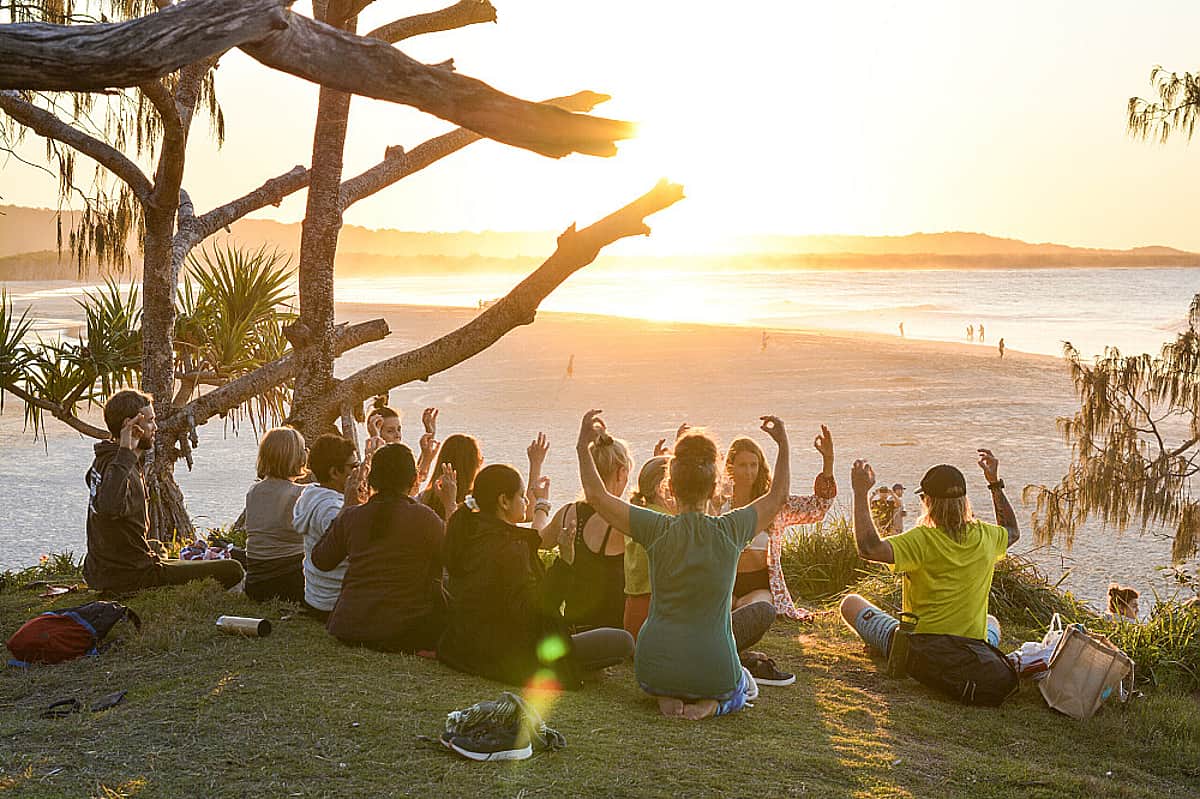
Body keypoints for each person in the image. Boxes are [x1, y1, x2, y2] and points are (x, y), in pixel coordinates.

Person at [578, 410, 794, 720]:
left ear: (671, 487)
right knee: (743, 688)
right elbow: (778, 496)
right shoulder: (732, 529)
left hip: (654, 670)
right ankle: (713, 705)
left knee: (668, 675)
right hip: (714, 672)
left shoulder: (655, 528)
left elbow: (596, 496)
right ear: (715, 487)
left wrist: (582, 447)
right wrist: (783, 444)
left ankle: (666, 697)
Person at [840, 449, 1021, 706]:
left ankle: (885, 649)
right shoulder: (986, 537)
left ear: (927, 501)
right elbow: (1012, 531)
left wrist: (860, 493)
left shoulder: (921, 540)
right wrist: (994, 481)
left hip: (918, 650)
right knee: (991, 621)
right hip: (971, 647)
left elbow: (868, 548)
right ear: (964, 501)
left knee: (850, 603)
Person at [438, 463, 633, 689]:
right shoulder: (510, 547)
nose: (526, 501)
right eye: (521, 496)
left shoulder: (468, 534)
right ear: (503, 502)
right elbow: (533, 613)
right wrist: (565, 562)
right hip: (509, 655)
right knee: (622, 641)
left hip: (466, 647)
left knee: (587, 632)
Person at [83, 390, 244, 593]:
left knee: (157, 546)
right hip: (131, 576)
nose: (156, 427)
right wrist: (126, 451)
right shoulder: (121, 463)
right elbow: (108, 507)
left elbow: (91, 480)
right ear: (129, 425)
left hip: (101, 571)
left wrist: (128, 450)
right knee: (232, 568)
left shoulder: (105, 456)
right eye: (150, 421)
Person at [312, 444, 451, 652]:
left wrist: (346, 508)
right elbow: (456, 559)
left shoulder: (352, 516)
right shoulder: (424, 518)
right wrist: (450, 506)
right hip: (403, 630)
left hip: (349, 627)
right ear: (413, 480)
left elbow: (321, 560)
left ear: (372, 480)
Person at [723, 428, 836, 622]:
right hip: (725, 583)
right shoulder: (719, 504)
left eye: (753, 465)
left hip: (760, 585)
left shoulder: (772, 504)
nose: (749, 471)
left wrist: (828, 461)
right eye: (742, 465)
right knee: (727, 605)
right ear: (730, 467)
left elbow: (819, 507)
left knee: (751, 607)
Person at [540, 433, 633, 632]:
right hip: (614, 632)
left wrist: (541, 503)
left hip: (576, 627)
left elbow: (537, 540)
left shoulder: (567, 513)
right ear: (621, 472)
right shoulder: (623, 521)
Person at [294, 434, 363, 620]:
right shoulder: (332, 509)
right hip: (335, 603)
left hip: (315, 598)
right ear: (334, 472)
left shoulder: (310, 495)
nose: (359, 471)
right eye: (353, 466)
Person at [242, 427, 307, 602]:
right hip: (289, 582)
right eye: (302, 449)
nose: (306, 454)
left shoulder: (254, 491)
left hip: (255, 584)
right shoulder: (300, 494)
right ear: (295, 456)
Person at [624, 456, 673, 641]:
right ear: (662, 488)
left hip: (633, 619)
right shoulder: (667, 522)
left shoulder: (636, 515)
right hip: (658, 618)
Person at [365, 402, 440, 491]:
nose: (397, 435)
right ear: (377, 432)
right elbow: (412, 488)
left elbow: (414, 474)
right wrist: (427, 459)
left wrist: (430, 433)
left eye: (399, 429)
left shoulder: (401, 456)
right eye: (390, 431)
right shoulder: (370, 463)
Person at [419, 434, 482, 521]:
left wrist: (426, 460)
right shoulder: (474, 505)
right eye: (479, 460)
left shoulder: (423, 500)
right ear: (473, 466)